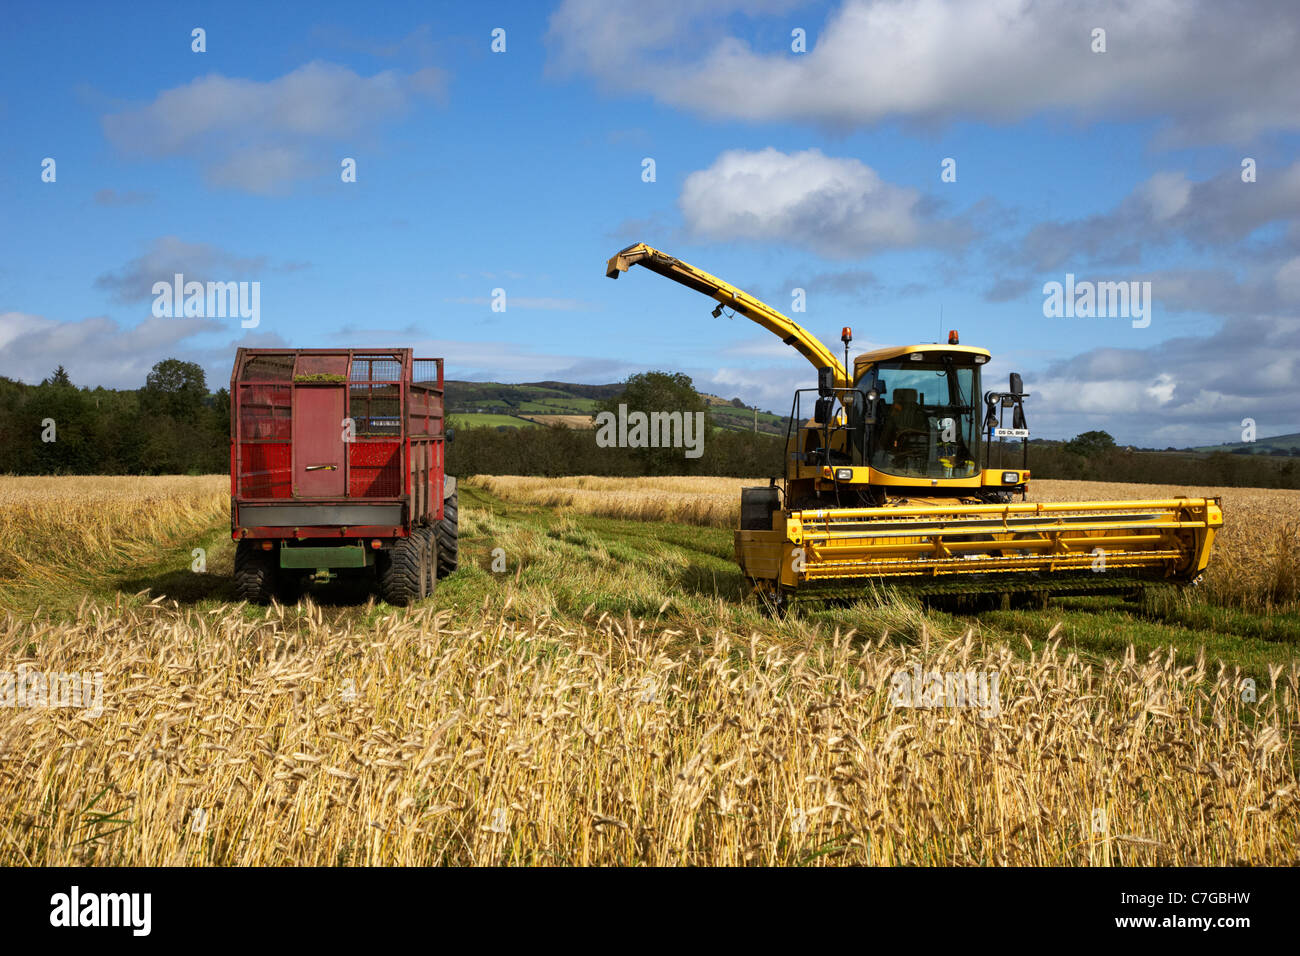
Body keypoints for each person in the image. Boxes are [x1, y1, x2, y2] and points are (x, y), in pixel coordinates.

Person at [878, 388, 929, 465]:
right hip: (917, 440)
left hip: (900, 439)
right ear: (915, 396)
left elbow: (888, 428)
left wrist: (881, 446)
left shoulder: (896, 409)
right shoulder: (920, 410)